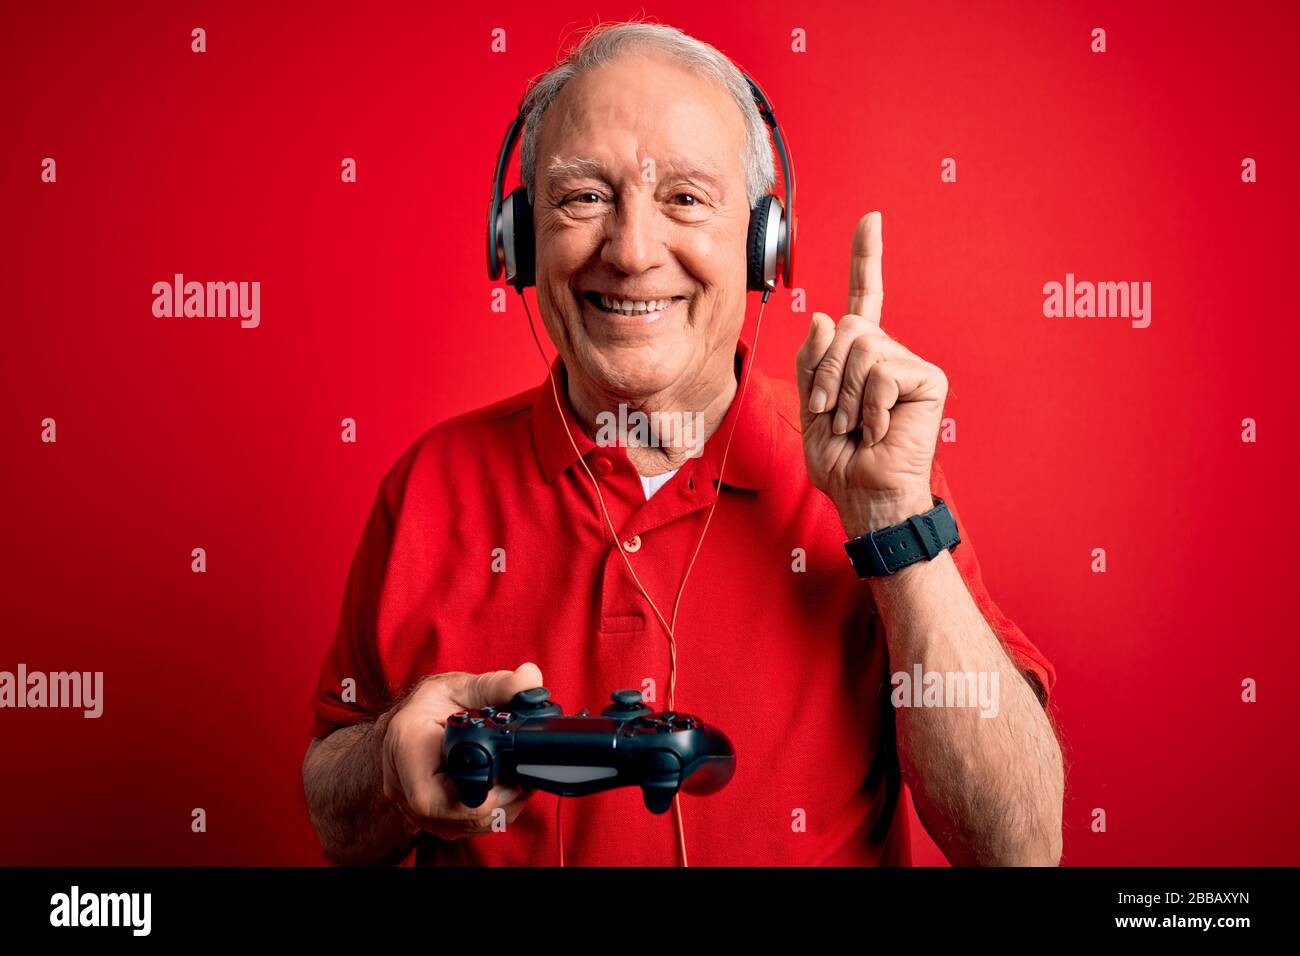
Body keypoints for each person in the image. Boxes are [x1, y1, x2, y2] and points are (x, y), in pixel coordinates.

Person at [301, 21, 1063, 867]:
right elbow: (336, 812)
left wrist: (892, 520)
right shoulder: (429, 487)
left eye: (685, 199)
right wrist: (383, 769)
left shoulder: (876, 476)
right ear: (516, 240)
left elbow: (1019, 848)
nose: (630, 252)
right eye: (583, 197)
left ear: (764, 245)